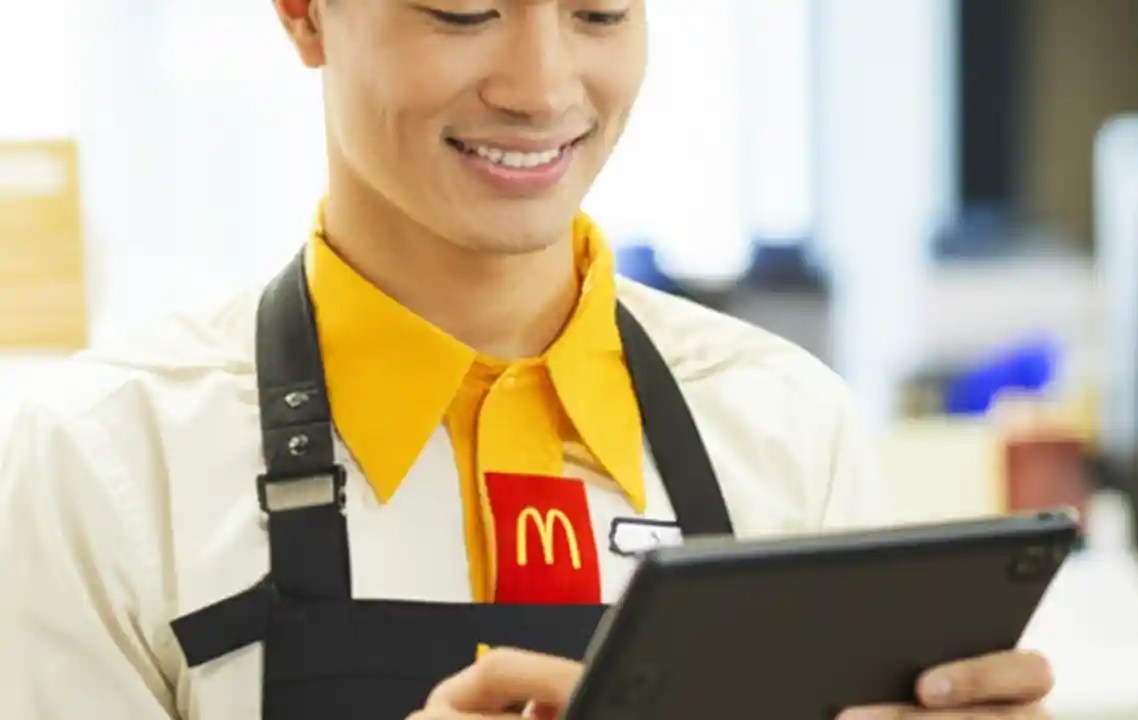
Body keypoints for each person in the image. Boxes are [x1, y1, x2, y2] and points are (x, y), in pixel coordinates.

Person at [0, 1, 1055, 718]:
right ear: (302, 10)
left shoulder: (789, 429)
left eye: (598, 9)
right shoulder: (102, 468)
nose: (542, 86)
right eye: (463, 8)